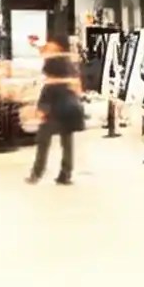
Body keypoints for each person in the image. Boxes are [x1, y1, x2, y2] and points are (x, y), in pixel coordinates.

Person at [28, 37, 84, 185]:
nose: (46, 51)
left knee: (43, 141)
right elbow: (77, 87)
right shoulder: (69, 64)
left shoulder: (54, 64)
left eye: (50, 48)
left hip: (55, 108)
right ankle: (65, 175)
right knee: (66, 143)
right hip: (68, 108)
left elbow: (49, 89)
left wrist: (41, 109)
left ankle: (37, 173)